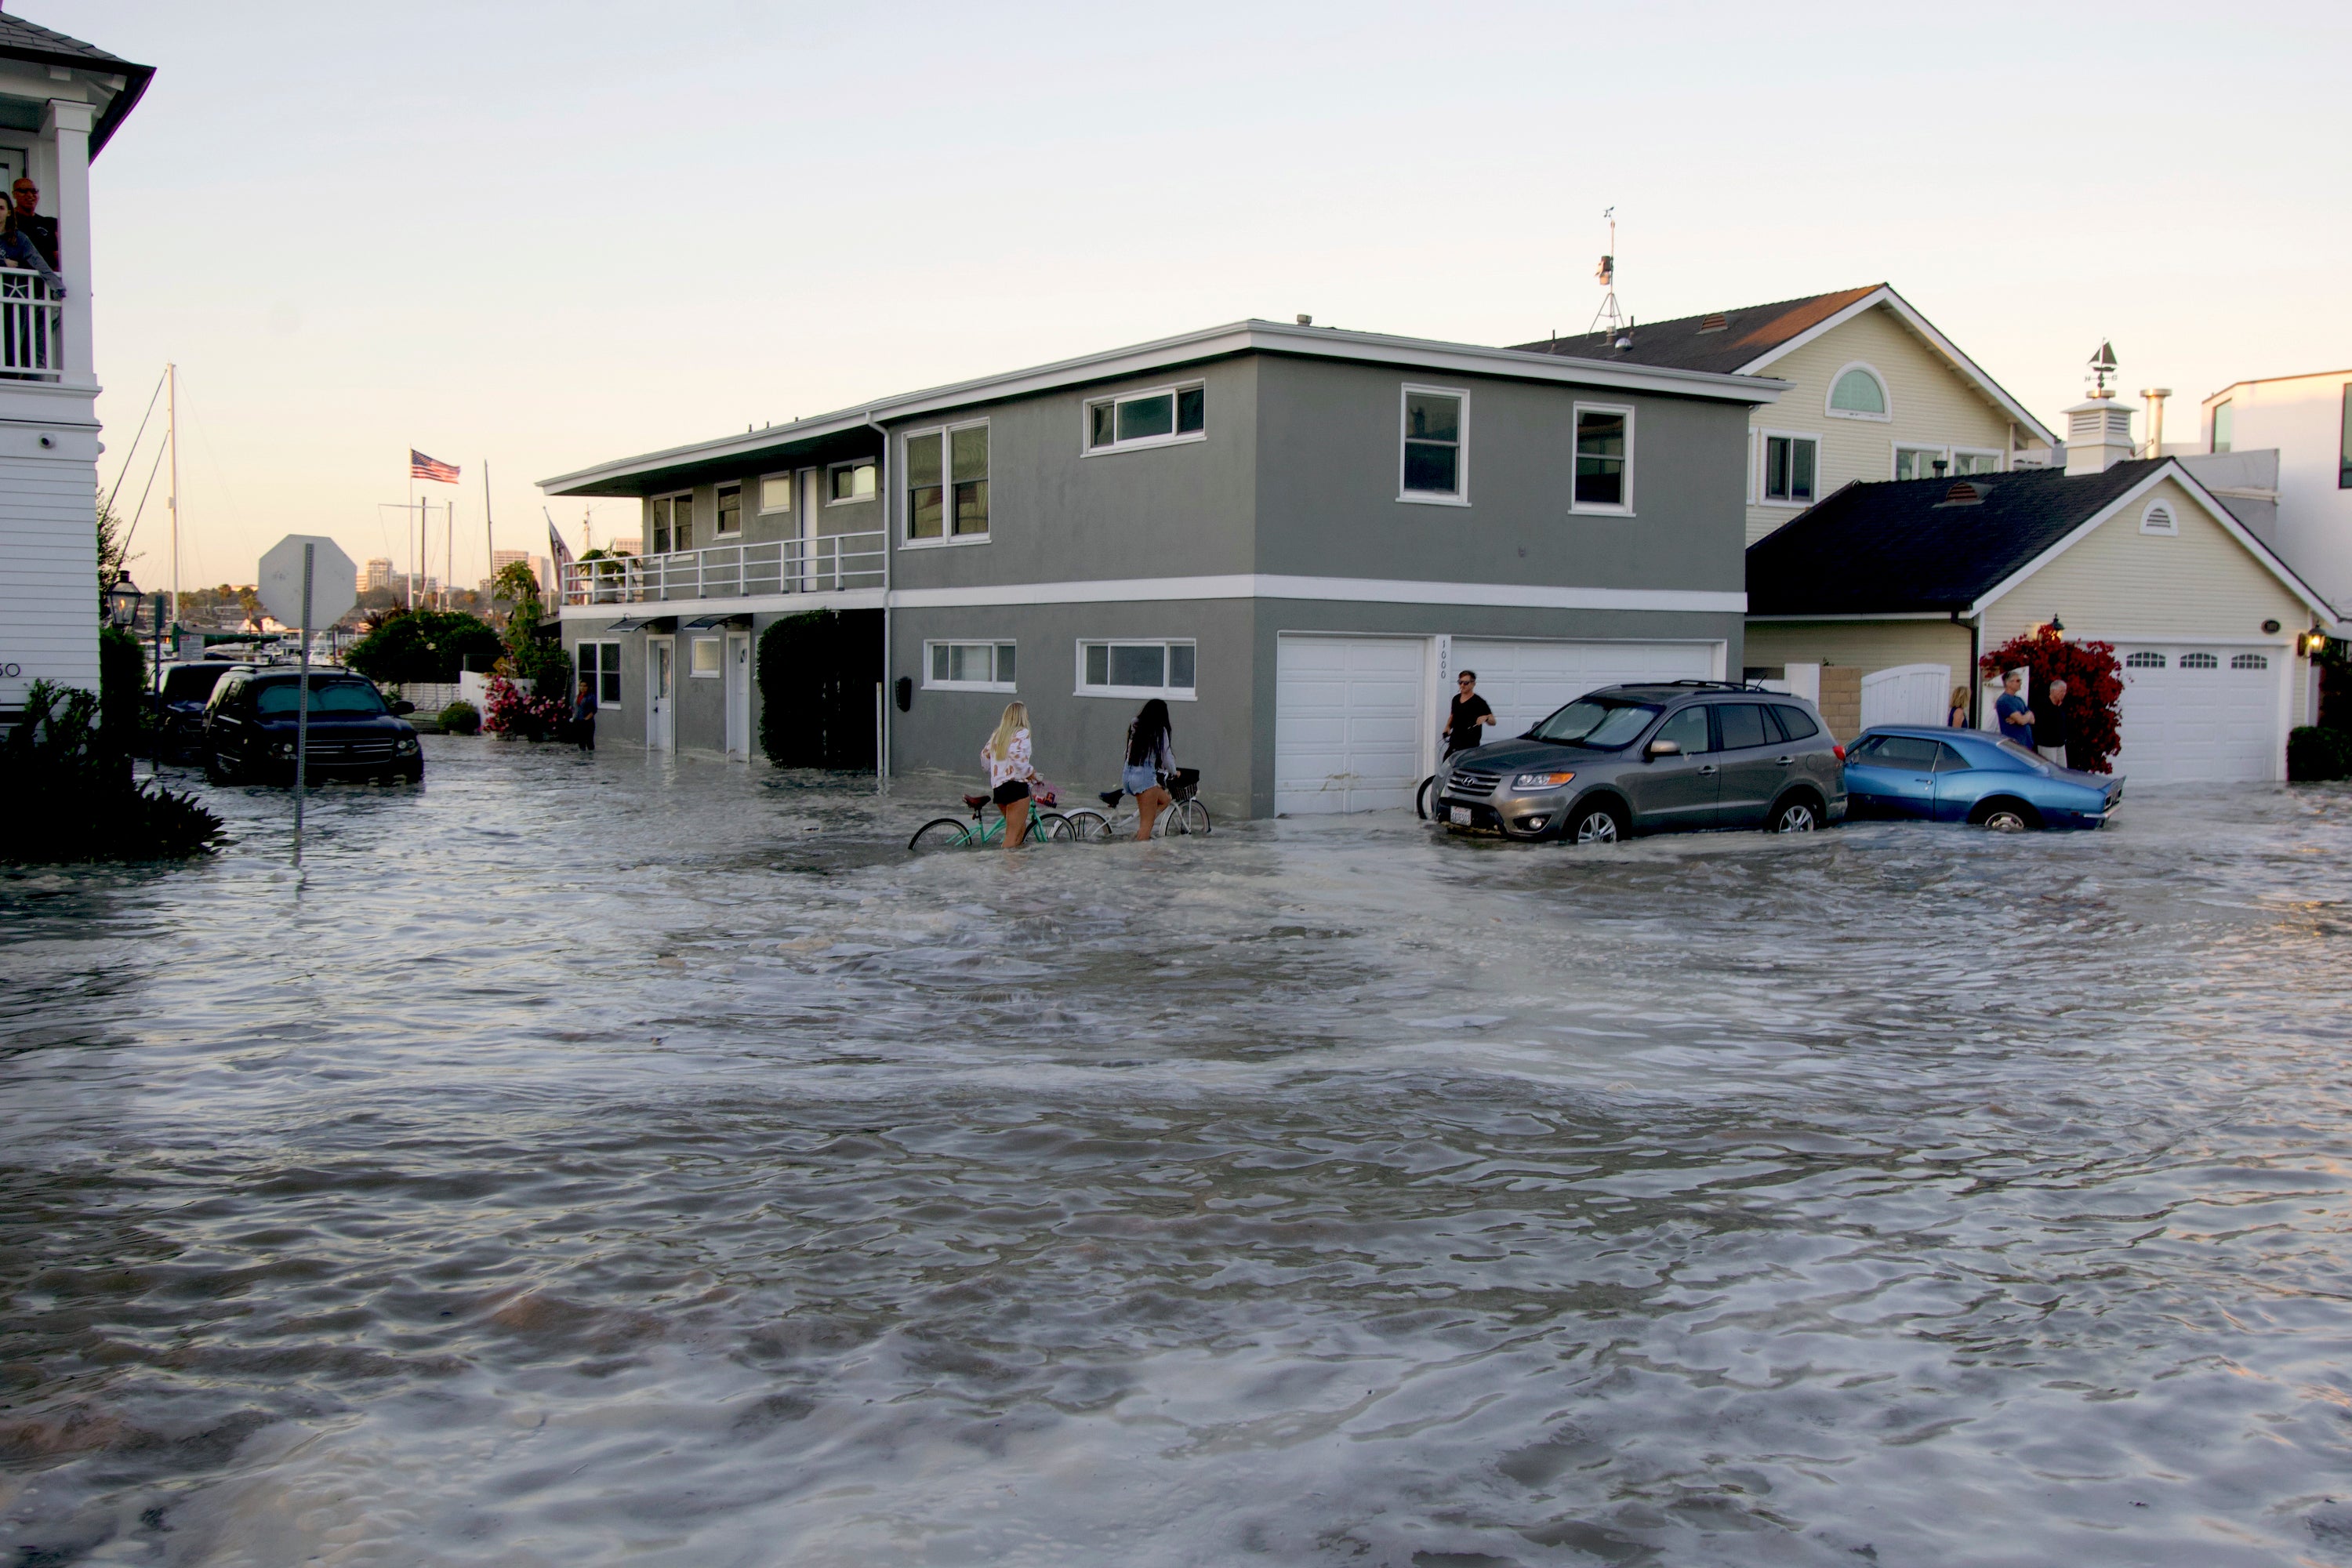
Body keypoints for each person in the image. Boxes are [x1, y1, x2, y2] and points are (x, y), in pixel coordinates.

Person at [984, 700, 1036, 853]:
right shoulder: (1022, 733)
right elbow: (1015, 754)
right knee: (1012, 836)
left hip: (999, 788)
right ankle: (1006, 871)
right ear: (1022, 717)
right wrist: (1030, 772)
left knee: (1020, 830)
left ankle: (1017, 870)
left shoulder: (997, 735)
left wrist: (996, 772)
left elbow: (984, 756)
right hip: (1016, 788)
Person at [1121, 697, 1176, 841]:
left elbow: (1127, 751)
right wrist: (1174, 772)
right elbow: (1167, 757)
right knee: (1147, 825)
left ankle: (1145, 825)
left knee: (1165, 799)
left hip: (1128, 775)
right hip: (1144, 778)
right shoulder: (1160, 730)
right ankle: (1144, 860)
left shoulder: (1135, 725)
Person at [0, 202, 64, 297]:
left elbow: (37, 260)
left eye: (1, 208)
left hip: (12, 296)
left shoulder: (18, 237)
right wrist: (4, 262)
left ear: (9, 212)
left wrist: (57, 286)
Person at [1443, 670, 1494, 757]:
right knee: (1447, 764)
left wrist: (1486, 718)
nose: (1462, 685)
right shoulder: (1456, 699)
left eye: (1466, 683)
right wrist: (1447, 727)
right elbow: (1452, 716)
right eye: (1460, 682)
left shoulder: (1479, 702)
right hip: (1454, 743)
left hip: (1470, 746)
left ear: (1473, 684)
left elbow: (1493, 721)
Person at [9, 178, 56, 273]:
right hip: (17, 281)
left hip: (44, 282)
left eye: (34, 191)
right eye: (23, 191)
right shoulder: (7, 220)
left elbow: (57, 256)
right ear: (14, 194)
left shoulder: (49, 223)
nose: (30, 195)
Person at [2033, 677, 2071, 768]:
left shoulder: (2061, 706)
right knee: (2050, 770)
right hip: (2047, 745)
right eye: (2061, 691)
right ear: (2053, 691)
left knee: (2063, 770)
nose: (2063, 694)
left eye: (2065, 691)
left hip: (2060, 744)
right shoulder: (2043, 705)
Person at [1994, 670, 2034, 749]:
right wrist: (2026, 716)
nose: (2020, 683)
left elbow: (2033, 720)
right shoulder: (2004, 700)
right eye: (2018, 681)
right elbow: (2022, 721)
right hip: (2015, 746)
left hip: (2026, 745)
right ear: (2008, 683)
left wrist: (2023, 717)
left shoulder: (2019, 699)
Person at [572, 677, 597, 752]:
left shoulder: (591, 697)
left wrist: (587, 718)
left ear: (588, 687)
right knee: (580, 741)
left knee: (589, 741)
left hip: (588, 723)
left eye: (584, 686)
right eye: (581, 686)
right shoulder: (577, 697)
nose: (582, 688)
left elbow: (594, 709)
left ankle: (591, 758)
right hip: (578, 721)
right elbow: (575, 708)